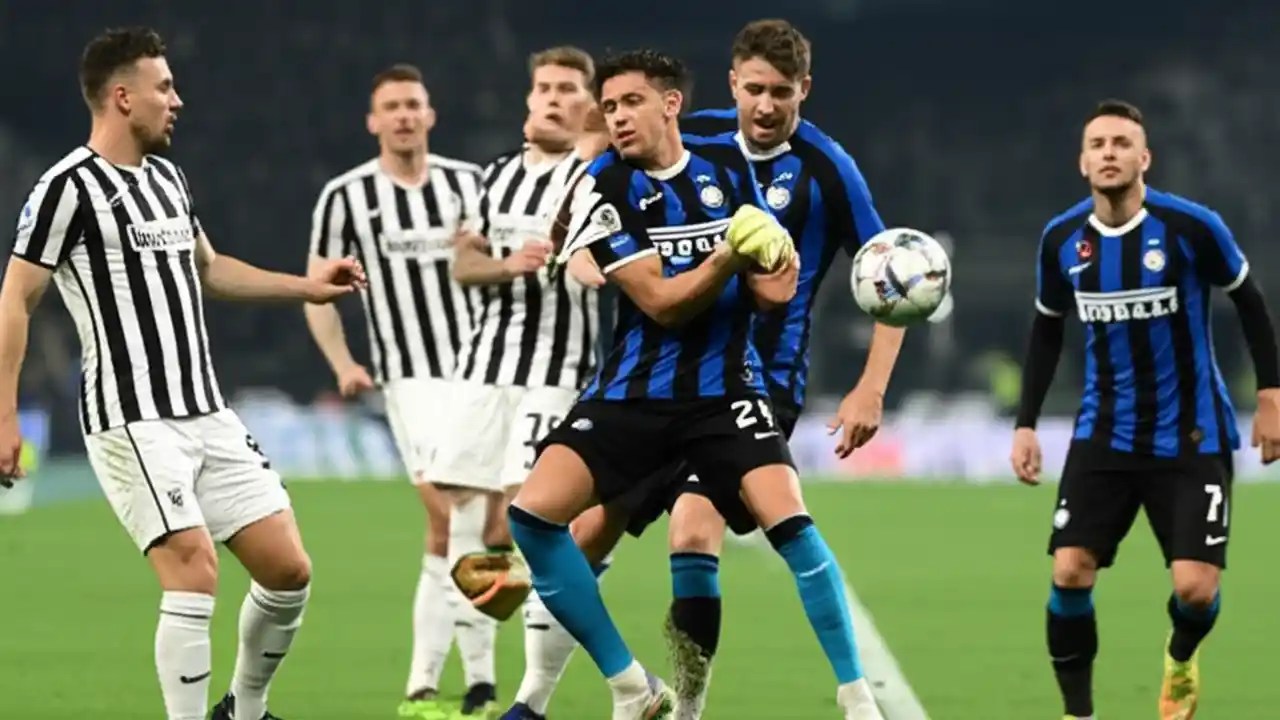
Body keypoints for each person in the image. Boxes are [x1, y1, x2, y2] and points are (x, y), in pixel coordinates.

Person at [507, 20, 900, 720]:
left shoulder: (825, 167)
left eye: (782, 92)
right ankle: (552, 698)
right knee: (584, 531)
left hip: (752, 379)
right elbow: (594, 189)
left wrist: (869, 384)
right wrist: (577, 240)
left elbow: (886, 274)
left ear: (804, 89)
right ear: (729, 87)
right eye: (754, 90)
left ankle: (695, 707)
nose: (766, 106)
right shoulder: (681, 148)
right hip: (640, 384)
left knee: (693, 530)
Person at [0, 27, 366, 720]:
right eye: (163, 86)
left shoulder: (168, 178)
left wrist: (307, 286)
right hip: (131, 415)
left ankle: (245, 712)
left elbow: (211, 269)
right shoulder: (66, 188)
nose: (177, 99)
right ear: (121, 96)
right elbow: (16, 295)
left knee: (289, 571)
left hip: (206, 409)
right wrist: (5, 413)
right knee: (194, 569)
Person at [1009, 98, 1280, 720]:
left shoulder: (1190, 228)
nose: (1109, 153)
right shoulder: (1062, 240)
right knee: (1070, 573)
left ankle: (1181, 656)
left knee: (1194, 588)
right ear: (1082, 162)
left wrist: (1270, 396)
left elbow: (1252, 302)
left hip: (1192, 431)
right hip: (1105, 430)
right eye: (1098, 144)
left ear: (1144, 158)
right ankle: (1079, 714)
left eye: (1121, 143)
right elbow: (1047, 330)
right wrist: (1025, 422)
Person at [302, 63, 487, 719]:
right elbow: (317, 290)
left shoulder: (472, 184)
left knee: (465, 533)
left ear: (430, 115)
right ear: (373, 121)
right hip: (409, 378)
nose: (405, 115)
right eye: (392, 106)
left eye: (414, 103)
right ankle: (479, 684)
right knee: (453, 512)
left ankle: (423, 690)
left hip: (485, 378)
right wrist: (342, 362)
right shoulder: (346, 196)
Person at [436, 45, 604, 718]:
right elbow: (461, 264)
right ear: (527, 98)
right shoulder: (495, 175)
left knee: (526, 511)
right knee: (464, 515)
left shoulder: (593, 174)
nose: (555, 98)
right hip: (484, 367)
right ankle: (479, 682)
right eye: (545, 87)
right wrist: (510, 265)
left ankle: (535, 687)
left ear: (586, 104)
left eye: (569, 89)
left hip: (556, 371)